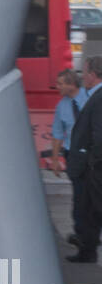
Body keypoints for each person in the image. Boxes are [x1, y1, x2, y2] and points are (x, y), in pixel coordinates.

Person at [66, 56, 102, 264]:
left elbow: (99, 135)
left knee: (92, 209)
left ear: (92, 75)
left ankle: (88, 251)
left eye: (85, 72)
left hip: (91, 170)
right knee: (88, 211)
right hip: (89, 167)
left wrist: (91, 164)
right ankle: (87, 251)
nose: (82, 76)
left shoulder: (98, 98)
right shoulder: (94, 96)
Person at [50, 67, 87, 244]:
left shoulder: (91, 98)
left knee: (93, 194)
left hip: (92, 154)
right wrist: (55, 159)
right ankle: (81, 232)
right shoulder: (61, 106)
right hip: (73, 154)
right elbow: (57, 133)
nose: (57, 87)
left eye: (60, 84)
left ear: (71, 84)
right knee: (79, 195)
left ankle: (91, 231)